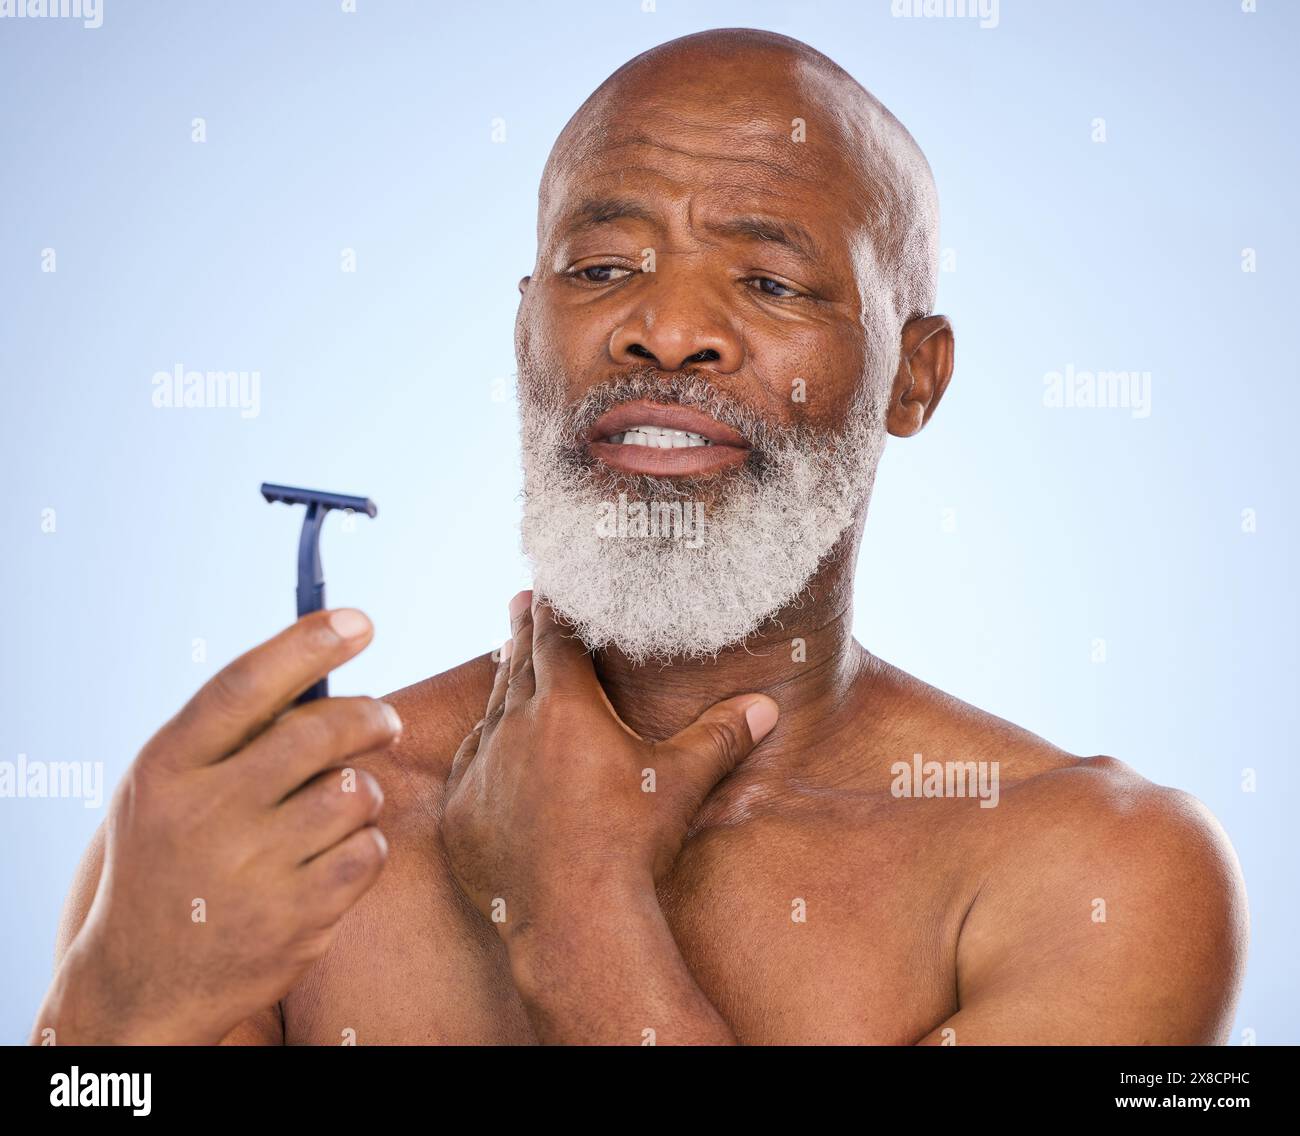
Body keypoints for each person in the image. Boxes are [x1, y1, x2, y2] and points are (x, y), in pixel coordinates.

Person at [31, 27, 1247, 1046]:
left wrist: (575, 917)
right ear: (524, 336)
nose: (664, 329)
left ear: (913, 378)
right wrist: (110, 1009)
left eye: (769, 284)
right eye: (602, 266)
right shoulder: (261, 839)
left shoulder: (1097, 873)